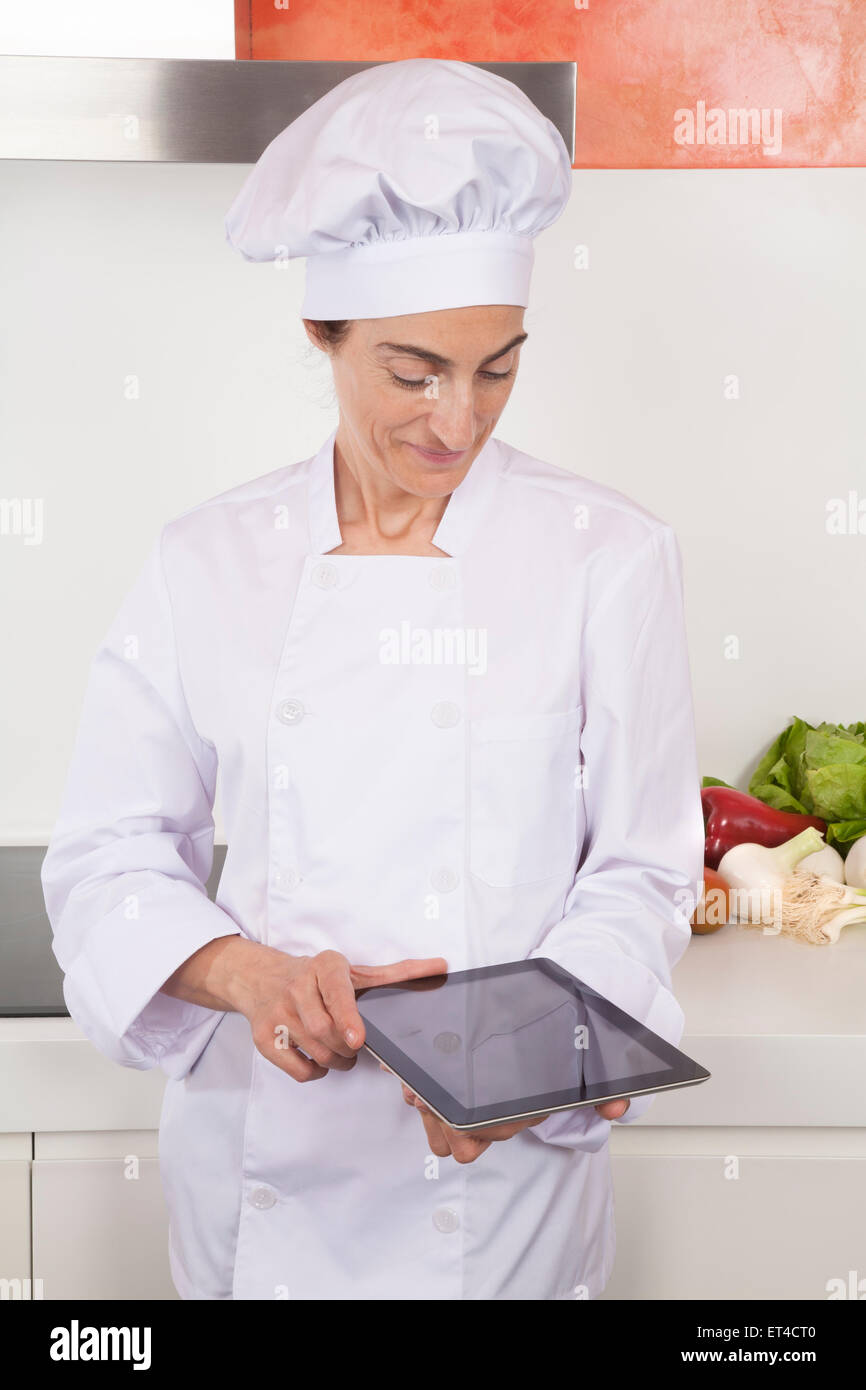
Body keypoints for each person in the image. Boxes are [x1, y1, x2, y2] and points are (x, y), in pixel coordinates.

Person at [41, 58, 705, 1301]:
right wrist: (248, 975)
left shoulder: (606, 556)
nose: (457, 420)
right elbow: (107, 852)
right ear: (320, 331)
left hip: (501, 1203)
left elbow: (641, 867)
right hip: (263, 1177)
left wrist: (526, 1059)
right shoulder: (207, 560)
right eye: (412, 372)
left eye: (496, 366)